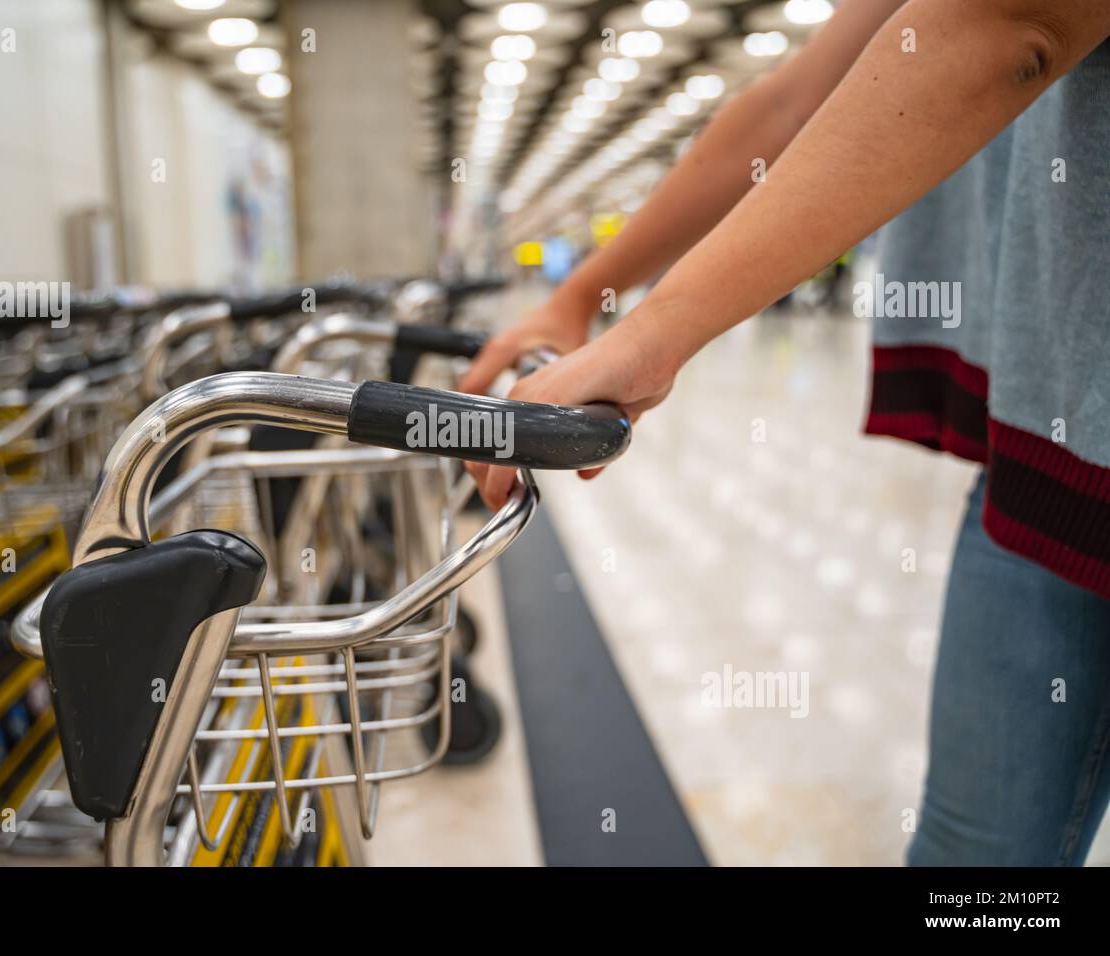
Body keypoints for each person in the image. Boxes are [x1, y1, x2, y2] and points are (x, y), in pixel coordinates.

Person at [461, 0, 1110, 866]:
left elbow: (1007, 27)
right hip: (1047, 454)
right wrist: (586, 296)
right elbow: (791, 105)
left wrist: (655, 333)